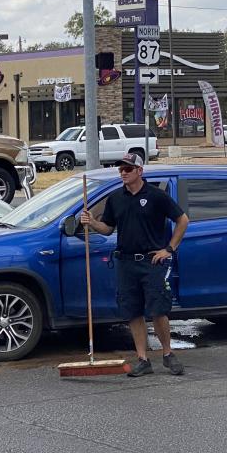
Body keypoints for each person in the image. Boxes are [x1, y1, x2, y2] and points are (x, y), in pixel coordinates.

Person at [80, 152, 190, 377]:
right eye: (121, 169)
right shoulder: (116, 199)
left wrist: (169, 249)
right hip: (126, 262)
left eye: (128, 169)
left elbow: (182, 220)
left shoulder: (156, 196)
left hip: (151, 261)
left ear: (140, 171)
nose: (123, 173)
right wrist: (91, 222)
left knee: (158, 310)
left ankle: (168, 354)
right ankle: (142, 359)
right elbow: (108, 228)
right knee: (132, 311)